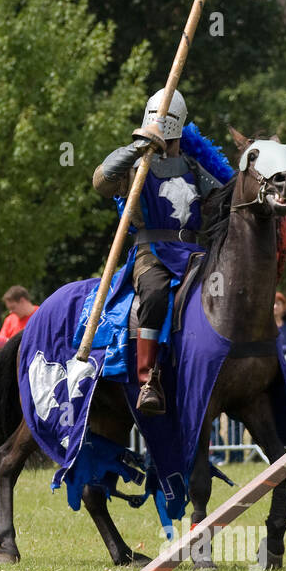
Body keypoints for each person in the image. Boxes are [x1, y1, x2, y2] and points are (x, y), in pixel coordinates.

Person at [92, 88, 232, 414]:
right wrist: (139, 146)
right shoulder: (136, 167)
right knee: (153, 293)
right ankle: (148, 380)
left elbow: (225, 198)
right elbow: (101, 182)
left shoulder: (194, 167)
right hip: (151, 250)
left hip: (194, 252)